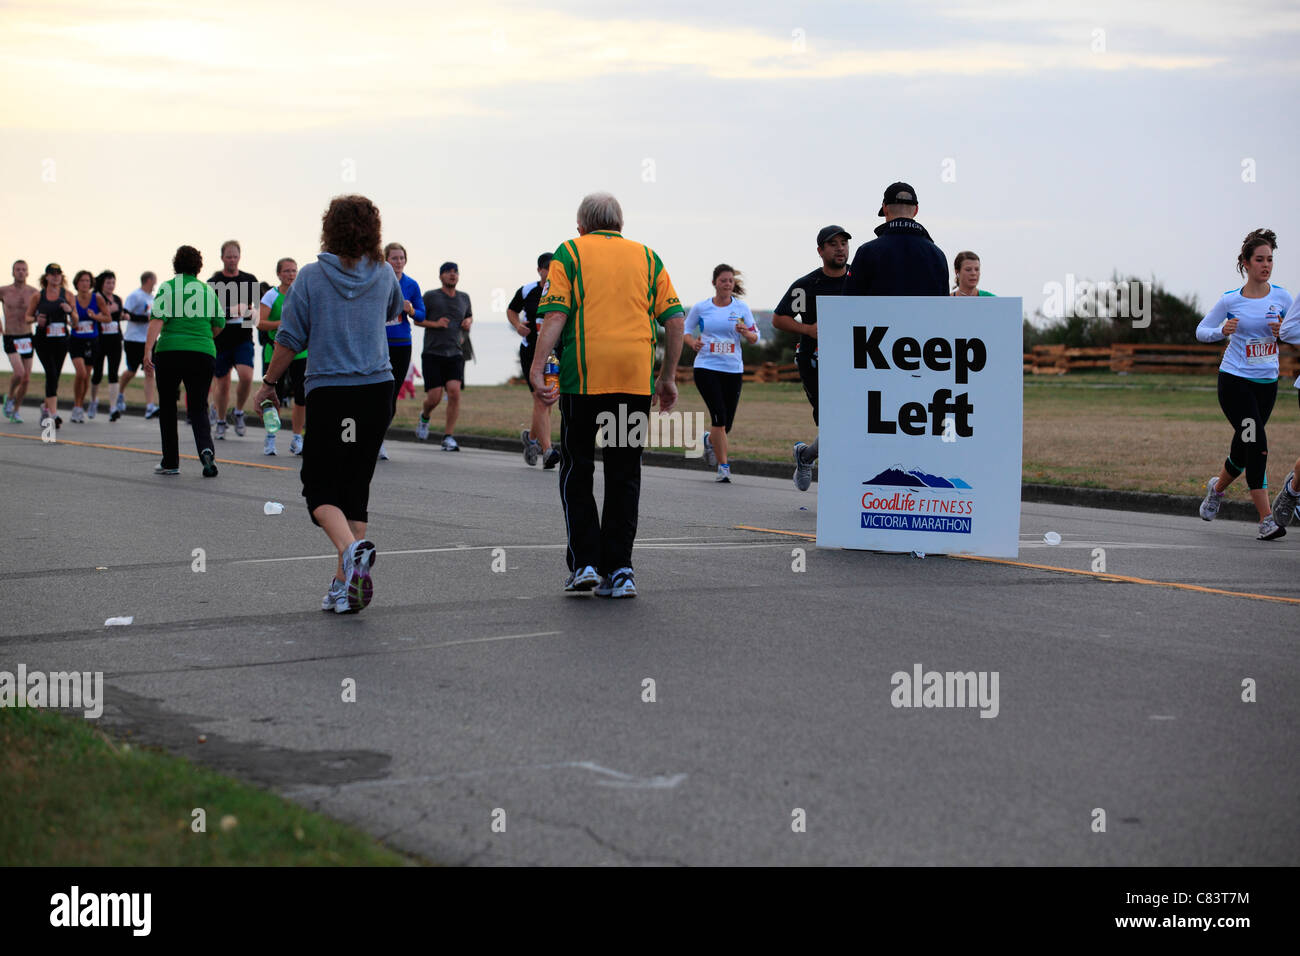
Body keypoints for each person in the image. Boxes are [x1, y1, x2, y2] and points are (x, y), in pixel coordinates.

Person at [253, 194, 401, 615]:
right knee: (355, 489)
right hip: (376, 390)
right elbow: (392, 311)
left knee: (318, 487)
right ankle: (343, 585)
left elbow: (289, 339)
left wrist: (268, 384)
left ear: (329, 228)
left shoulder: (312, 278)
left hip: (332, 392)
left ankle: (352, 551)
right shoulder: (385, 275)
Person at [531, 191, 685, 598]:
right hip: (633, 380)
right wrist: (667, 376)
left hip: (584, 378)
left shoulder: (570, 252)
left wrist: (537, 364)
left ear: (581, 226)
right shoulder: (647, 257)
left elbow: (556, 313)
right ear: (620, 224)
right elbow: (674, 320)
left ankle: (584, 563)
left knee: (577, 469)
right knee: (623, 473)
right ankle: (620, 570)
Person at [1196, 228, 1293, 540]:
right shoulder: (1229, 300)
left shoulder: (1282, 297)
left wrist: (1284, 332)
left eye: (1270, 260)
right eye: (1260, 260)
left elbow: (1296, 331)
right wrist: (1222, 330)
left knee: (1244, 446)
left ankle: (1217, 488)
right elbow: (1202, 331)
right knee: (1258, 444)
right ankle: (1266, 519)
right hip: (1235, 382)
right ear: (1246, 264)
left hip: (1267, 384)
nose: (1266, 265)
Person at [772, 225, 851, 491]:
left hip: (852, 363)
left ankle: (805, 456)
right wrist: (807, 329)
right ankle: (837, 496)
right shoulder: (807, 285)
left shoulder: (858, 279)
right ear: (820, 250)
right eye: (833, 244)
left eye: (843, 243)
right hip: (814, 362)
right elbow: (779, 318)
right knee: (832, 423)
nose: (840, 248)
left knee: (849, 422)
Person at [143, 245, 224, 477]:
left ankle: (170, 462)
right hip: (202, 352)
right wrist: (204, 337)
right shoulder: (208, 291)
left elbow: (157, 320)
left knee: (168, 406)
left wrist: (148, 350)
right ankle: (206, 450)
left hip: (170, 351)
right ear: (198, 267)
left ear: (175, 265)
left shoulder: (168, 288)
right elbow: (218, 324)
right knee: (198, 406)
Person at [684, 264, 759, 482]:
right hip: (706, 367)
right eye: (723, 280)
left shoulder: (741, 308)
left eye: (730, 281)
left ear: (733, 284)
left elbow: (756, 338)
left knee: (727, 424)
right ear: (715, 283)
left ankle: (708, 441)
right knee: (719, 417)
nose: (727, 284)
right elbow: (686, 331)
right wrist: (692, 343)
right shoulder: (702, 308)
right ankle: (723, 467)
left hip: (732, 369)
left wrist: (746, 332)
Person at [844, 182, 947, 296]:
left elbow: (849, 302)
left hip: (878, 314)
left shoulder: (867, 252)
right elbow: (943, 307)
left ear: (885, 209)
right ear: (916, 210)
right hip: (925, 314)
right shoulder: (937, 255)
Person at [509, 252, 561, 468]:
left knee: (548, 401)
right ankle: (548, 450)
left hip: (554, 354)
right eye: (549, 268)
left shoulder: (563, 290)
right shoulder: (527, 290)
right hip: (531, 351)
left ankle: (532, 438)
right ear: (540, 270)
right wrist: (518, 325)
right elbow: (512, 310)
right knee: (541, 399)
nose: (552, 273)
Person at [416, 262, 471, 450]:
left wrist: (468, 322)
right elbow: (418, 320)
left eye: (455, 272)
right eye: (448, 272)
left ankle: (448, 437)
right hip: (433, 352)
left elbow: (469, 316)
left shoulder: (464, 297)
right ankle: (424, 416)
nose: (452, 275)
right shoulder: (431, 296)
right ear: (440, 276)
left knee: (454, 392)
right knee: (434, 397)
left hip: (455, 352)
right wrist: (436, 324)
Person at [207, 240, 259, 440]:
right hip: (220, 338)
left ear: (240, 257)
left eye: (235, 256)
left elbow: (253, 315)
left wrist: (251, 314)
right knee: (223, 383)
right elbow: (210, 314)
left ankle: (238, 412)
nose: (232, 260)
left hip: (242, 338)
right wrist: (231, 311)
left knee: (246, 376)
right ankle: (221, 420)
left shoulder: (249, 280)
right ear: (222, 258)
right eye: (228, 256)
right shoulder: (213, 282)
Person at [379, 242, 424, 461]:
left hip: (401, 344)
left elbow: (422, 315)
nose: (398, 262)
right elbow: (255, 322)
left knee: (391, 394)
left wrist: (411, 309)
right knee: (375, 392)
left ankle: (379, 439)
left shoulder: (411, 284)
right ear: (385, 260)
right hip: (378, 344)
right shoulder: (378, 282)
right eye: (393, 258)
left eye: (401, 258)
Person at [257, 258, 306, 455]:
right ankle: (271, 438)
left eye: (294, 271)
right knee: (272, 396)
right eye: (286, 271)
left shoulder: (302, 295)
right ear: (278, 274)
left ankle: (297, 439)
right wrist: (283, 323)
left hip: (301, 350)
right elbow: (260, 323)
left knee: (302, 396)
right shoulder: (271, 295)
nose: (291, 275)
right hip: (275, 349)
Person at [26, 264, 74, 427]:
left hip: (61, 340)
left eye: (58, 274)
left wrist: (69, 310)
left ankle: (45, 407)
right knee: (51, 373)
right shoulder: (38, 296)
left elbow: (75, 321)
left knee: (55, 376)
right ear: (46, 277)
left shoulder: (67, 295)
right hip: (43, 340)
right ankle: (53, 414)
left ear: (61, 276)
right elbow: (27, 317)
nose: (55, 276)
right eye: (52, 274)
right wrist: (35, 319)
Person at [67, 270, 108, 423]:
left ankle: (79, 406)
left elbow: (107, 317)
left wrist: (95, 316)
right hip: (76, 340)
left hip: (92, 340)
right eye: (82, 280)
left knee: (86, 376)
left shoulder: (97, 299)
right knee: (81, 373)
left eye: (87, 281)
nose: (85, 283)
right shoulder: (72, 299)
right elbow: (69, 317)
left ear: (91, 283)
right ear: (77, 283)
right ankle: (77, 406)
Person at [119, 271, 158, 419]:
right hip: (133, 339)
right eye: (154, 281)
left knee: (150, 371)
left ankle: (149, 406)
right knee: (131, 371)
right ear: (148, 280)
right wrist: (144, 318)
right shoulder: (135, 295)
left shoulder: (153, 299)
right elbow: (125, 314)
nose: (155, 284)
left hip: (149, 340)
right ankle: (120, 393)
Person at [3, 260, 37, 423]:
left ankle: (16, 410)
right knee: (19, 372)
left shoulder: (34, 292)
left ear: (28, 272)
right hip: (10, 335)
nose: (21, 272)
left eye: (24, 269)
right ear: (13, 272)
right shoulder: (4, 291)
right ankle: (9, 397)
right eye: (18, 269)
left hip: (27, 336)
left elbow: (43, 308)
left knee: (27, 378)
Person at [90, 270, 125, 420]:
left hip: (115, 339)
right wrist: (106, 313)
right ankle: (93, 401)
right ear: (101, 284)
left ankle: (113, 407)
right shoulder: (96, 298)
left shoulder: (117, 299)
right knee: (97, 373)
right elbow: (92, 315)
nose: (111, 285)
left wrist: (124, 315)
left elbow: (120, 315)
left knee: (113, 373)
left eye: (113, 282)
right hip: (100, 339)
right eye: (108, 282)